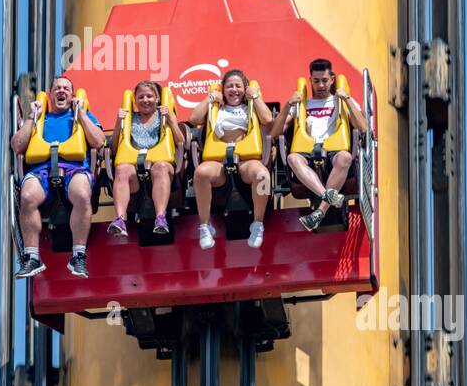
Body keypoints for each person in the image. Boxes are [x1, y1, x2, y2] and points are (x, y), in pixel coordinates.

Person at [10, 76, 106, 278]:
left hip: (75, 169)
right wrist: (31, 117)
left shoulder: (82, 115)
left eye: (66, 89)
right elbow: (17, 145)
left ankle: (78, 256)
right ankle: (32, 257)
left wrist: (82, 115)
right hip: (41, 172)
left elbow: (99, 142)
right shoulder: (40, 118)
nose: (61, 91)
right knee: (27, 196)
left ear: (72, 95)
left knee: (81, 193)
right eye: (57, 88)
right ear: (51, 94)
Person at [269, 58, 368, 231]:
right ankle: (326, 195)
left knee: (345, 157)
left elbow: (363, 127)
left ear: (332, 79)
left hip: (335, 152)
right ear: (310, 81)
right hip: (307, 153)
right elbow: (275, 133)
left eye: (324, 80)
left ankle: (320, 211)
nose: (321, 85)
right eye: (316, 81)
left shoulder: (342, 101)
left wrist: (348, 100)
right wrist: (288, 105)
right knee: (292, 158)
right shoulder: (303, 104)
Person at [187, 68, 273, 249]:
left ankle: (257, 224)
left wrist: (255, 97)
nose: (234, 90)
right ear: (223, 89)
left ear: (245, 88)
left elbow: (267, 118)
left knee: (262, 175)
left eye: (238, 86)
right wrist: (210, 97)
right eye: (229, 86)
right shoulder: (217, 108)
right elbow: (194, 118)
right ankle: (204, 225)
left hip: (246, 161)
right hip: (218, 162)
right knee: (201, 173)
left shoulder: (251, 107)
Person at [109, 80, 184, 237]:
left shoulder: (163, 116)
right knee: (122, 169)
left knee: (160, 167)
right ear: (135, 100)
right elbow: (114, 148)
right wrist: (118, 123)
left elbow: (181, 142)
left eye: (149, 96)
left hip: (160, 166)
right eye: (141, 97)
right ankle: (120, 220)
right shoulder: (130, 119)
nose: (145, 100)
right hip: (135, 169)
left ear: (157, 99)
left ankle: (161, 218)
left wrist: (171, 120)